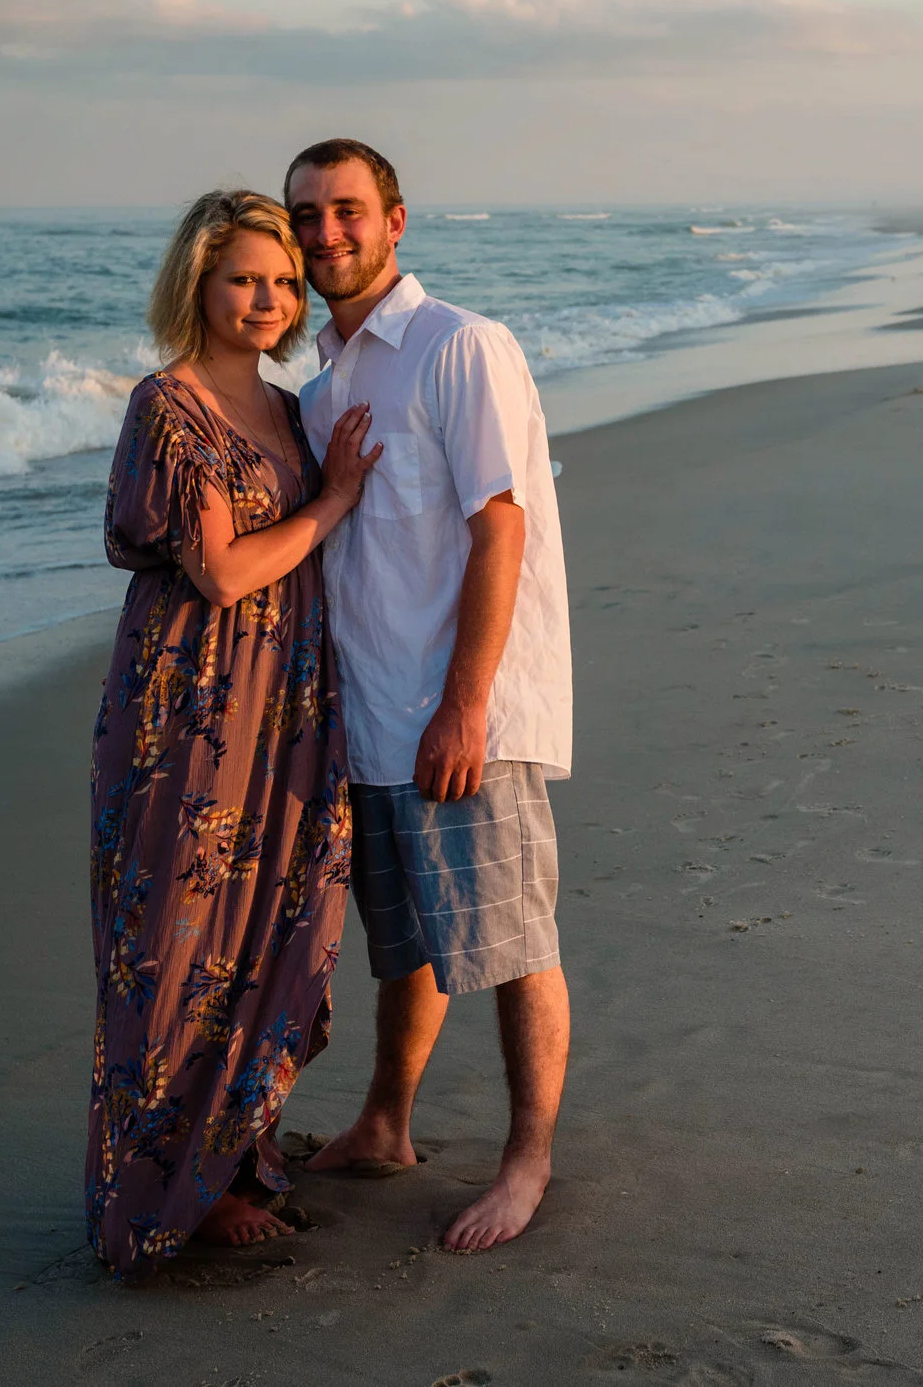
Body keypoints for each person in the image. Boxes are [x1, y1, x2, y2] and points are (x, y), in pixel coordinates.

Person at [285, 138, 574, 1254]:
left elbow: (499, 523)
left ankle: (526, 1161)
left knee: (509, 941)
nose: (325, 234)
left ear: (396, 220)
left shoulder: (460, 347)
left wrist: (466, 704)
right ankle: (386, 1122)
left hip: (462, 718)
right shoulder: (325, 383)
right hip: (371, 720)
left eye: (347, 211)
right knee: (405, 944)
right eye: (306, 215)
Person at [85, 189, 380, 1275]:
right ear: (198, 286)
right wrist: (334, 501)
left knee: (267, 921)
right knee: (177, 933)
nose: (266, 298)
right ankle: (173, 1186)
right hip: (196, 706)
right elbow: (219, 570)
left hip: (287, 695)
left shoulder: (288, 406)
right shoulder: (170, 406)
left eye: (281, 280)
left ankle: (236, 1156)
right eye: (243, 278)